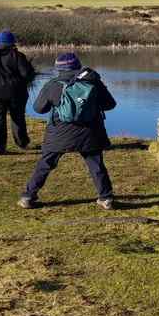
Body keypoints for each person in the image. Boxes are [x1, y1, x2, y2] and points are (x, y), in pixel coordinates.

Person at [19, 52, 118, 209]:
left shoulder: (53, 84)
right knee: (96, 165)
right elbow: (110, 104)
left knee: (45, 164)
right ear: (77, 65)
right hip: (90, 132)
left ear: (58, 68)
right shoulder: (93, 82)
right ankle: (106, 198)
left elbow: (38, 109)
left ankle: (28, 197)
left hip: (59, 133)